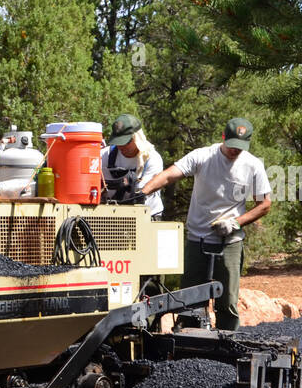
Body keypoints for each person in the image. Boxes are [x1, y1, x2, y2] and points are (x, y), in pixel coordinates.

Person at [138, 117, 272, 331]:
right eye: (231, 146)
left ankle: (228, 343)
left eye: (240, 147)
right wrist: (142, 192)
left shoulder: (253, 165)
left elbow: (264, 204)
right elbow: (169, 175)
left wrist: (235, 223)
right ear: (223, 138)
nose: (234, 151)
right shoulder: (203, 156)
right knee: (190, 301)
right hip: (197, 240)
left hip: (229, 242)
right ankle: (189, 346)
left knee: (227, 302)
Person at [101, 113, 164, 219]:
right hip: (111, 216)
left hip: (146, 217)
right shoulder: (104, 156)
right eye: (118, 142)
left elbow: (138, 194)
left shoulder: (152, 159)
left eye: (126, 142)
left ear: (137, 137)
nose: (121, 146)